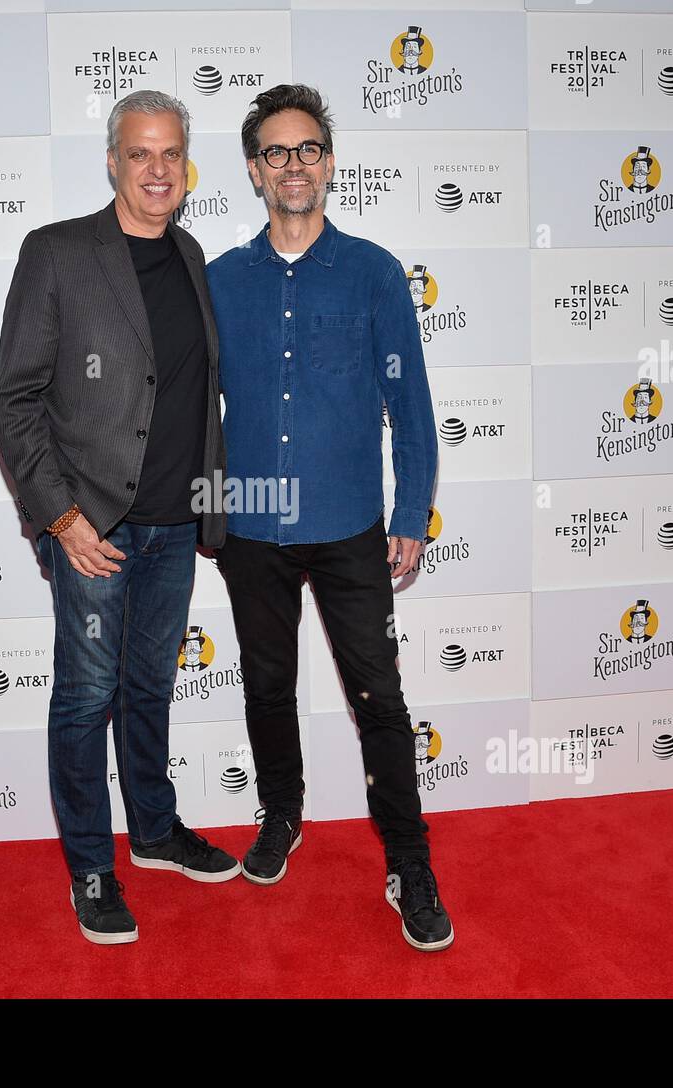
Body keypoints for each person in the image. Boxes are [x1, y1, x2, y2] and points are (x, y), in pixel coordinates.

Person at [206, 84, 452, 952]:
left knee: (378, 698)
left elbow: (410, 404)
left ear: (330, 163)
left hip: (352, 524)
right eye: (277, 152)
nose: (295, 164)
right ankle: (282, 815)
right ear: (253, 170)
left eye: (309, 148)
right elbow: (191, 404)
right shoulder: (221, 280)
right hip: (253, 528)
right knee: (266, 686)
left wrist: (412, 510)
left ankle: (409, 861)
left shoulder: (376, 272)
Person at [0, 89, 240, 947]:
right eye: (140, 153)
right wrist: (60, 519)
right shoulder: (57, 253)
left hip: (176, 521)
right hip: (92, 525)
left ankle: (156, 832)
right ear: (112, 161)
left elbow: (196, 394)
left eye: (171, 152)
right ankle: (91, 867)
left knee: (150, 686)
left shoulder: (193, 253)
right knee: (87, 694)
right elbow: (17, 402)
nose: (158, 168)